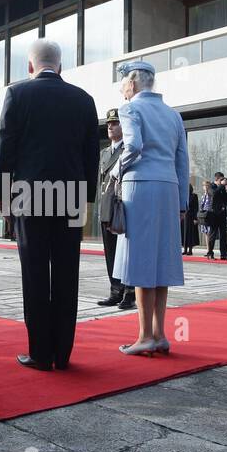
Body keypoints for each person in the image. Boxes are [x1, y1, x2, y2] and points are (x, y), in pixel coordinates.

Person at [0, 38, 98, 371]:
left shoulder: (17, 94)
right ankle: (63, 353)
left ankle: (40, 353)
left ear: (30, 66)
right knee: (67, 273)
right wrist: (87, 197)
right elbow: (91, 155)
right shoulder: (83, 99)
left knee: (35, 272)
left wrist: (3, 194)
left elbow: (5, 150)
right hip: (70, 196)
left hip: (29, 195)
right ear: (60, 65)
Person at [113, 60, 188, 356]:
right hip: (168, 189)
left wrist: (115, 170)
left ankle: (145, 336)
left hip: (140, 187)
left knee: (141, 261)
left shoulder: (130, 108)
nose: (122, 90)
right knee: (160, 263)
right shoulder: (173, 115)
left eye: (123, 84)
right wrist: (182, 202)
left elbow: (133, 145)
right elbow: (182, 161)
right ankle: (159, 334)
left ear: (132, 83)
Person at [96, 108, 135, 310]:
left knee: (125, 251)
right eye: (109, 124)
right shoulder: (104, 153)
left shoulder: (129, 149)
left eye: (115, 123)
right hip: (107, 206)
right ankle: (115, 290)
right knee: (110, 251)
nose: (110, 127)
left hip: (123, 205)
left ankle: (129, 292)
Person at [205, 175, 227, 259]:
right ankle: (210, 252)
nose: (223, 182)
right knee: (213, 234)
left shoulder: (222, 188)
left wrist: (225, 189)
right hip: (213, 214)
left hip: (222, 214)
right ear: (217, 179)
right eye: (222, 180)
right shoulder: (211, 186)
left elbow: (225, 199)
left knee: (223, 234)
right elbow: (214, 194)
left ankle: (224, 254)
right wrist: (221, 186)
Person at [183, 184, 199, 255]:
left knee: (190, 234)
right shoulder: (184, 196)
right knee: (184, 233)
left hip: (191, 217)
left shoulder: (194, 196)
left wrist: (195, 218)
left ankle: (190, 250)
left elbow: (196, 208)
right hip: (185, 217)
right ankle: (185, 249)